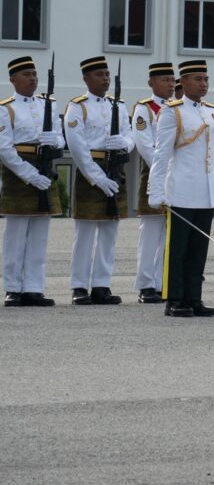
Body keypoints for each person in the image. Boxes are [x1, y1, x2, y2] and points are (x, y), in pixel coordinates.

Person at [147, 60, 214, 318]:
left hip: (205, 192)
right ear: (185, 81)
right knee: (177, 249)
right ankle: (175, 298)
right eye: (198, 79)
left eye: (206, 79)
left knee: (198, 249)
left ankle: (194, 297)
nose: (203, 84)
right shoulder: (172, 111)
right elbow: (162, 153)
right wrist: (156, 191)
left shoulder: (213, 112)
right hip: (181, 190)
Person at [65, 55, 134, 305]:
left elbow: (129, 133)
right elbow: (77, 147)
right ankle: (79, 286)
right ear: (86, 78)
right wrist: (96, 177)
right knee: (84, 233)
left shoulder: (119, 105)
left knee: (109, 231)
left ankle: (102, 284)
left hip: (115, 167)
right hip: (90, 171)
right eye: (99, 75)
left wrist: (125, 143)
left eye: (107, 75)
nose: (105, 79)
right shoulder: (78, 106)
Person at [1, 55, 65, 307]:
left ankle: (34, 287)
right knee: (16, 236)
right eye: (27, 75)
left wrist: (54, 142)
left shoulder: (48, 104)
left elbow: (61, 138)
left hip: (45, 169)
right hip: (20, 174)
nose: (33, 79)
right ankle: (13, 288)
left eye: (34, 74)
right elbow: (4, 149)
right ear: (13, 80)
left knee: (39, 235)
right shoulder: (5, 108)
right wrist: (28, 175)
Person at [128, 62, 175, 303]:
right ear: (151, 83)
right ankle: (146, 284)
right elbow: (144, 144)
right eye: (165, 80)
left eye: (172, 80)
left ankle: (163, 282)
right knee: (151, 232)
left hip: (177, 175)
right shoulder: (144, 110)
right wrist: (164, 166)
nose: (170, 84)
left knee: (170, 234)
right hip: (155, 172)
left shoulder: (178, 107)